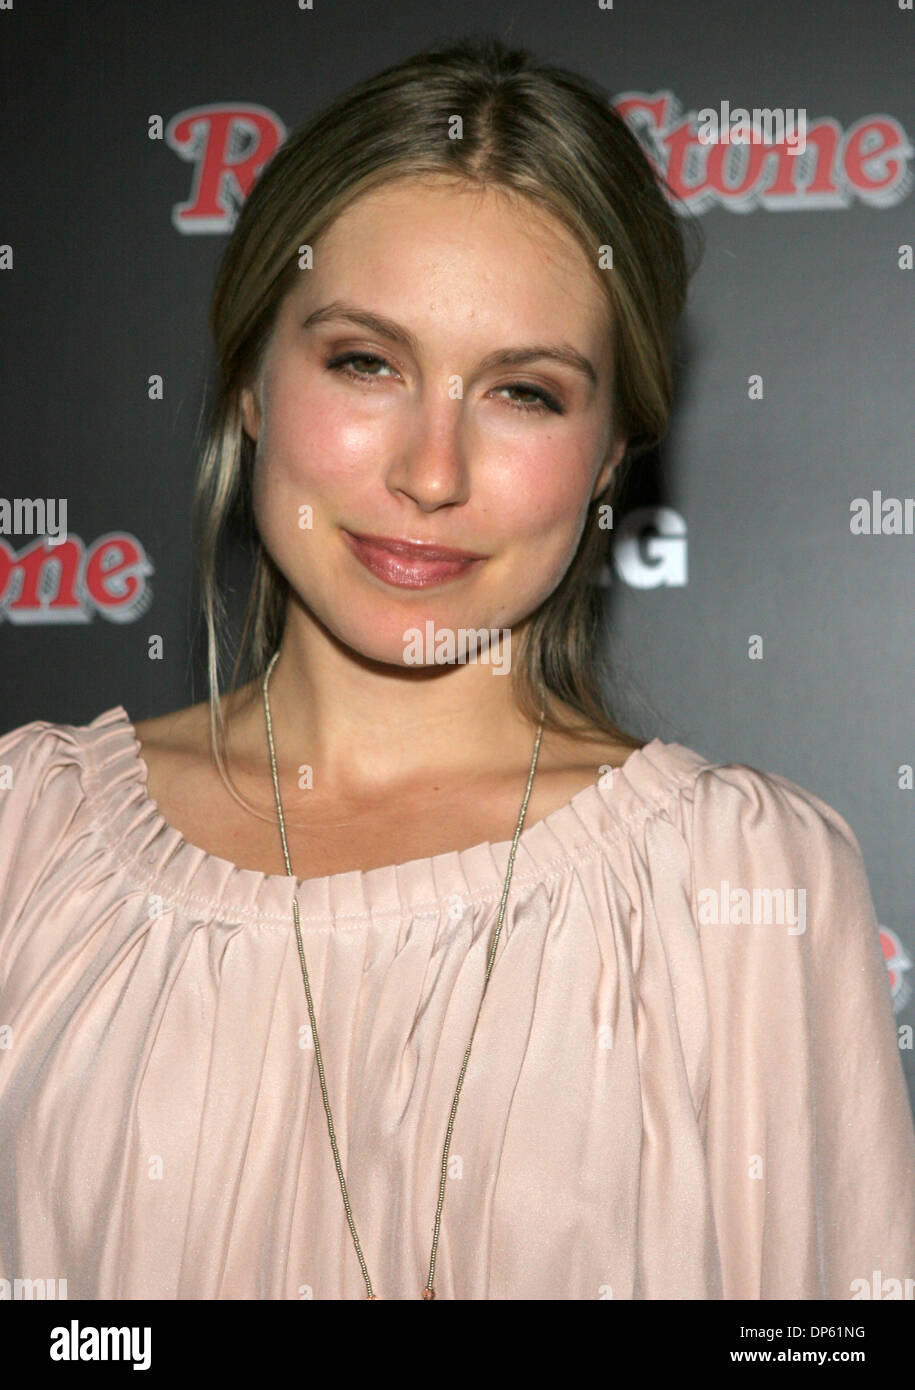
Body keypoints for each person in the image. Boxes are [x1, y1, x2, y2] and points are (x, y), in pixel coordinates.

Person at [1, 37, 912, 1302]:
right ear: (254, 382)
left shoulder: (740, 885)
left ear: (608, 457)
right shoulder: (25, 844)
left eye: (524, 392)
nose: (432, 471)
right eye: (366, 362)